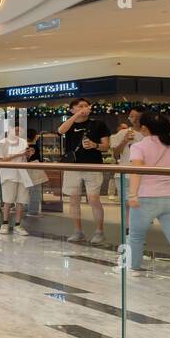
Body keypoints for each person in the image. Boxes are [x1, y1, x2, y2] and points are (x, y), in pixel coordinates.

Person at [124, 112, 170, 275]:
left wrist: (132, 195)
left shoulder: (138, 146)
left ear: (144, 128)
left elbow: (136, 172)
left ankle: (134, 268)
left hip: (146, 198)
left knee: (136, 236)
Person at [58, 97, 110, 245]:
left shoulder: (98, 124)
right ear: (71, 110)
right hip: (72, 167)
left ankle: (99, 232)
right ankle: (77, 231)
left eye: (86, 106)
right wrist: (76, 115)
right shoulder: (69, 124)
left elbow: (106, 146)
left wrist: (94, 145)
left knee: (94, 199)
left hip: (93, 166)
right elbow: (60, 130)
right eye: (80, 106)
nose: (84, 108)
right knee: (74, 200)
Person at [0, 120, 33, 236]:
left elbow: (25, 159)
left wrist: (28, 154)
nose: (17, 132)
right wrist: (18, 154)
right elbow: (0, 160)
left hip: (23, 175)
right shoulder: (2, 143)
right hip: (8, 175)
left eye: (19, 129)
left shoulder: (23, 142)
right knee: (7, 201)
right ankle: (5, 223)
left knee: (21, 201)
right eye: (15, 129)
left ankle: (18, 224)